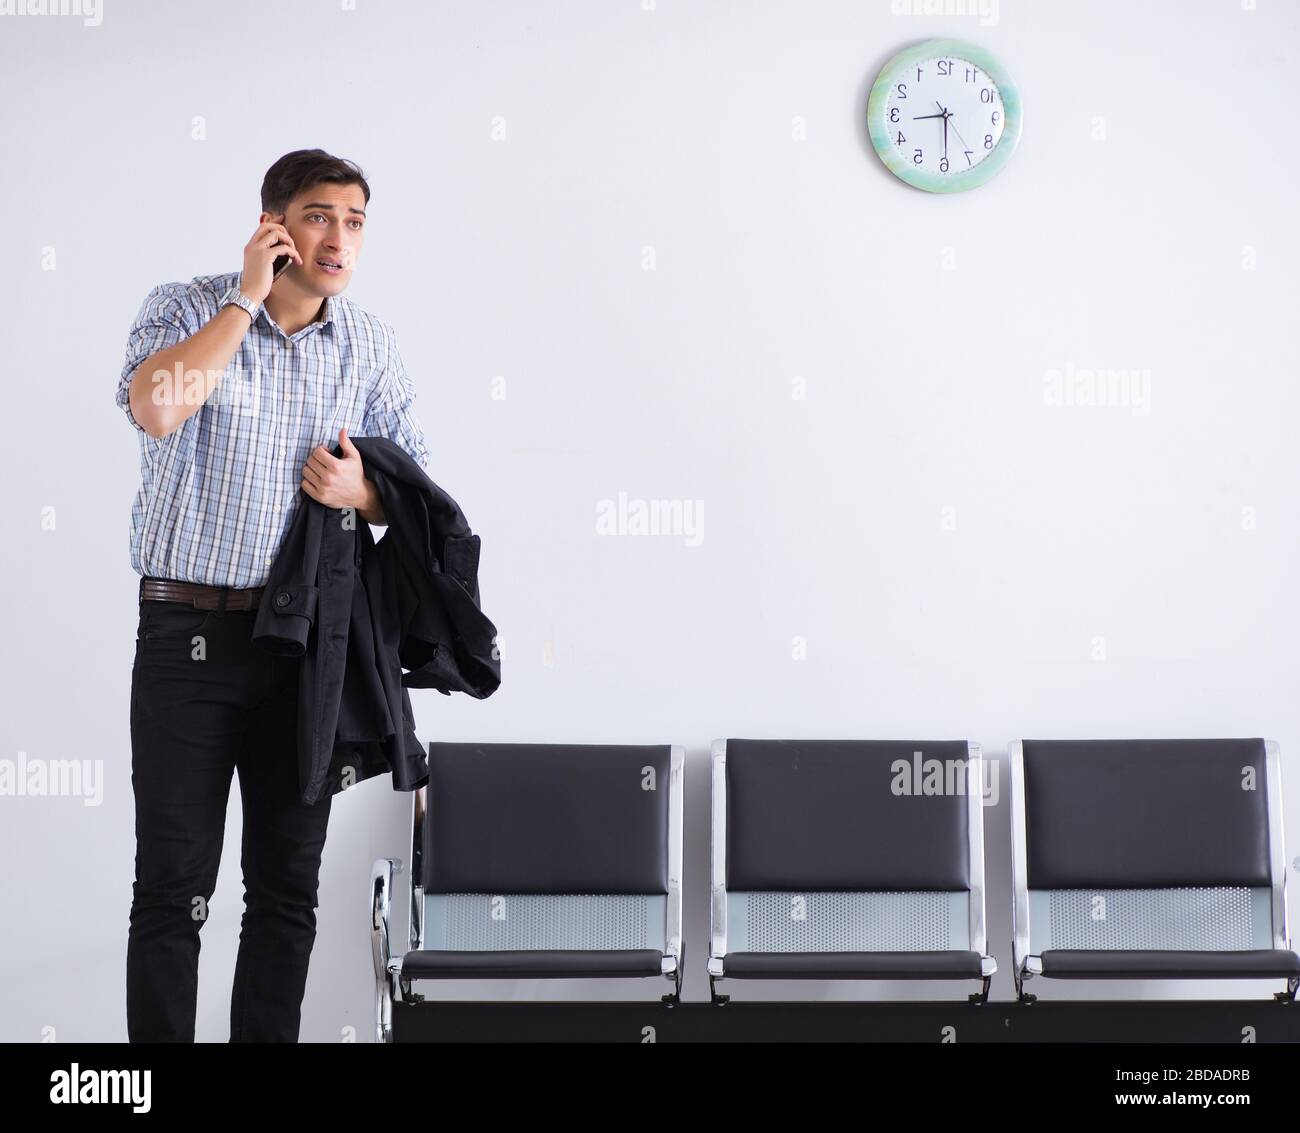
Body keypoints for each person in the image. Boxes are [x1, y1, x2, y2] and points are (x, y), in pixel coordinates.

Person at [116, 148, 429, 1042]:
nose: (340, 238)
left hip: (304, 649)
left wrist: (359, 492)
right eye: (322, 215)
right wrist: (246, 299)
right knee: (172, 886)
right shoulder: (185, 305)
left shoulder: (368, 343)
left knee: (286, 887)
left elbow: (418, 490)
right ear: (275, 223)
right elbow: (158, 408)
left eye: (356, 221)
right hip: (186, 637)